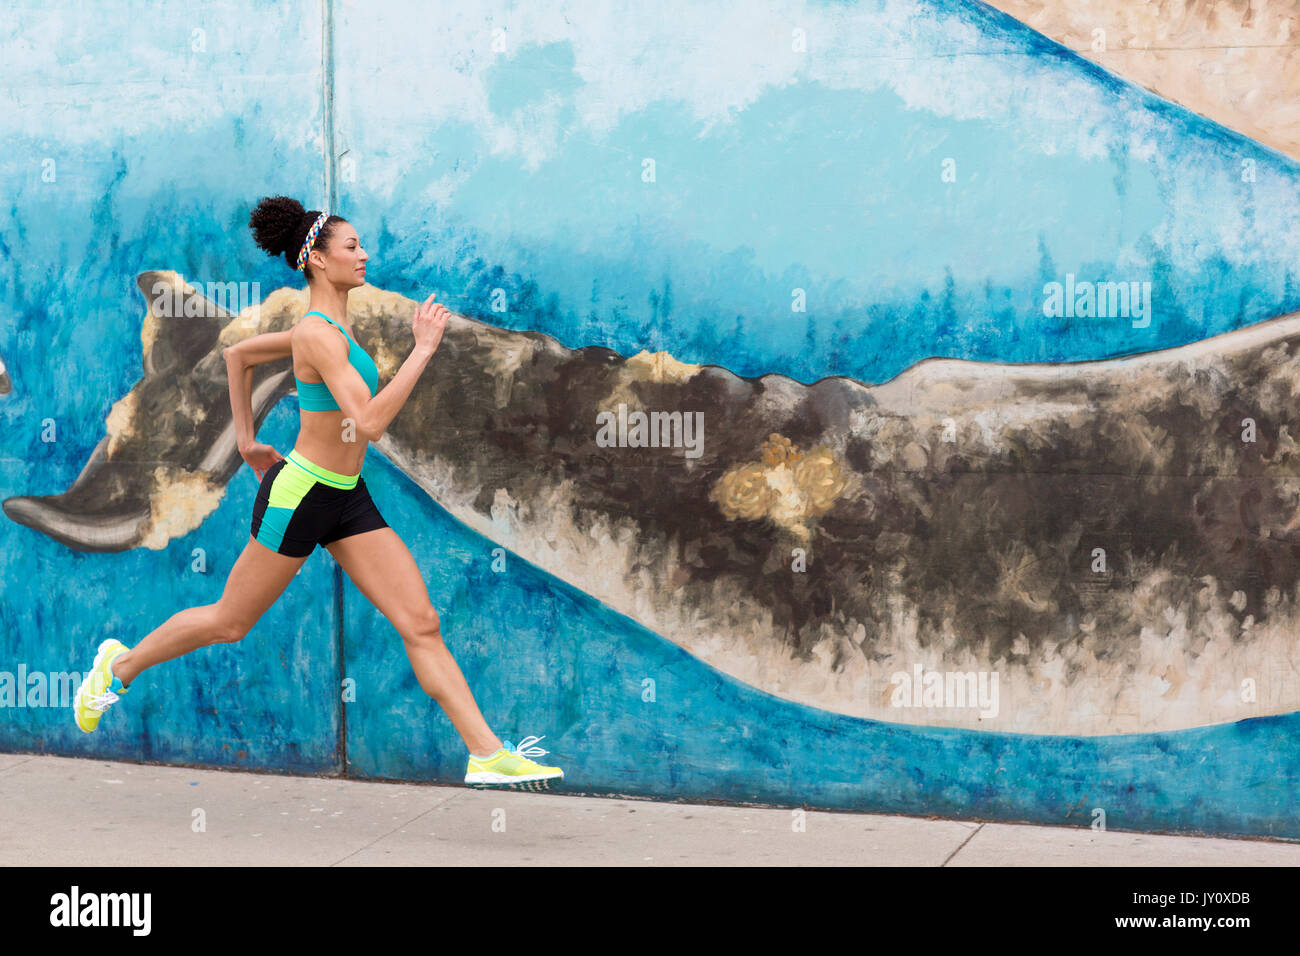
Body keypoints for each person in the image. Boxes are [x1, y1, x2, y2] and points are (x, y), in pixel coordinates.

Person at [72, 195, 562, 791]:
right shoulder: (316, 334)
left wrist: (248, 442)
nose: (364, 255)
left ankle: (485, 753)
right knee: (230, 621)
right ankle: (116, 669)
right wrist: (424, 350)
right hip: (301, 496)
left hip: (346, 496)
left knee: (421, 621)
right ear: (318, 261)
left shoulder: (327, 330)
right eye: (351, 247)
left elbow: (237, 354)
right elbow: (371, 422)